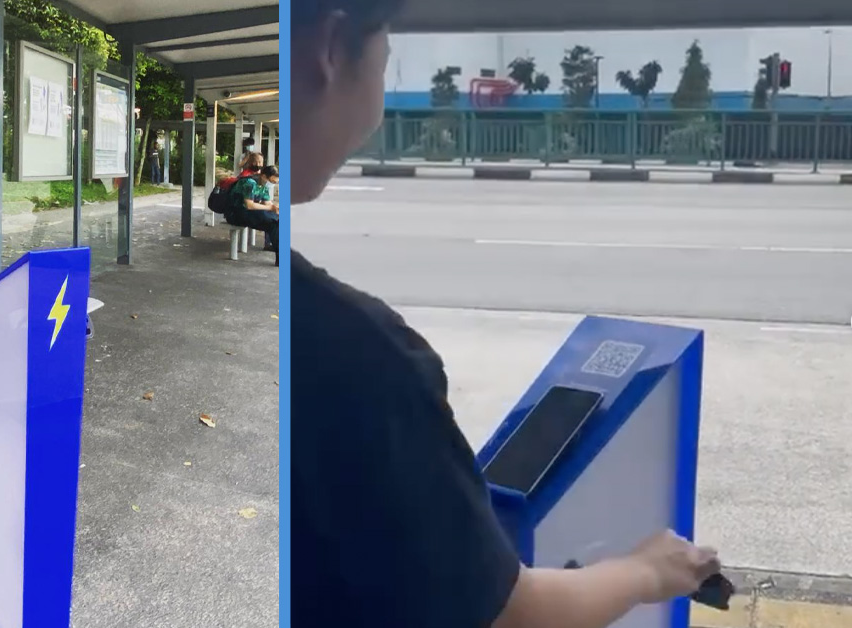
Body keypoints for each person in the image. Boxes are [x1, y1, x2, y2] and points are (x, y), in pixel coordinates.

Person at [290, 1, 722, 627]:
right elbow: (507, 614)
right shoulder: (363, 359)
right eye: (387, 50)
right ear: (333, 48)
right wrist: (649, 572)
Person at [225, 164, 279, 265]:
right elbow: (249, 205)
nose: (272, 184)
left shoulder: (263, 185)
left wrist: (276, 209)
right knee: (273, 223)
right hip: (236, 214)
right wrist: (271, 208)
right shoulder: (249, 183)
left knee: (277, 221)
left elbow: (267, 203)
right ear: (263, 176)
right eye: (272, 181)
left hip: (247, 212)